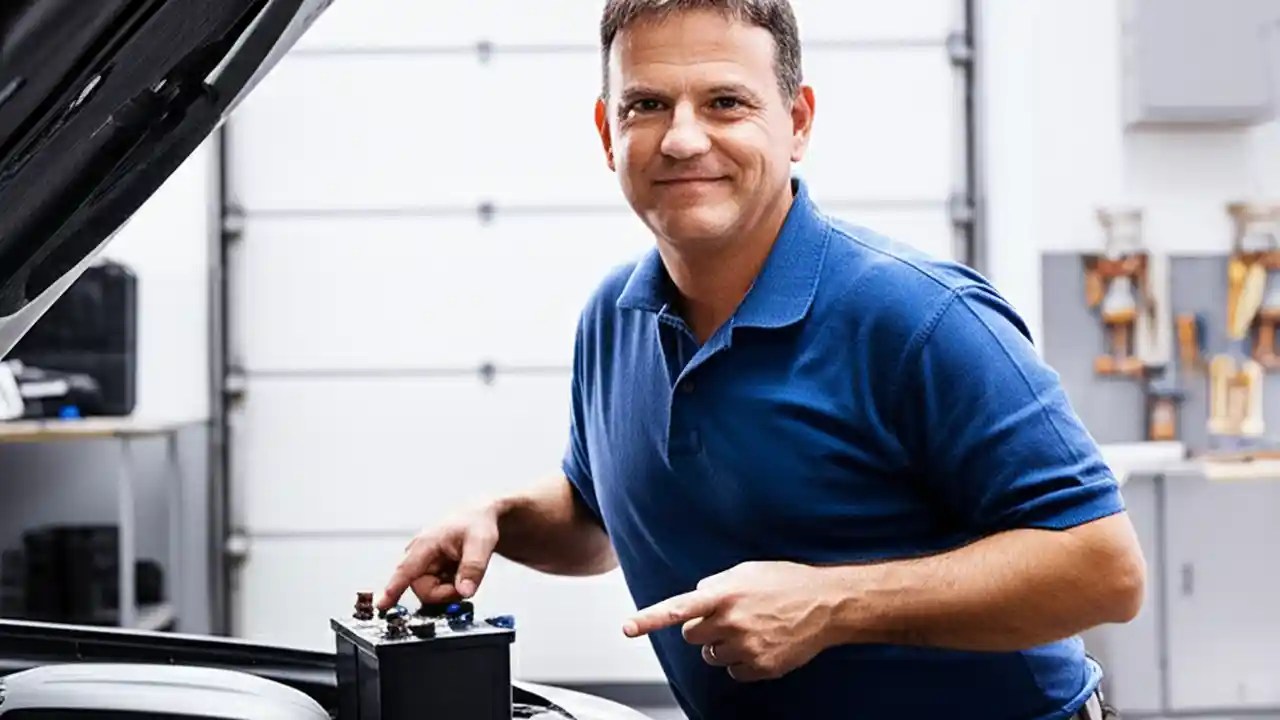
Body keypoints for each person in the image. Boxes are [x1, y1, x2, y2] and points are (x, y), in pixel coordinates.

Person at [376, 1, 1146, 717]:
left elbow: (1104, 570)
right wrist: (500, 517)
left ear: (797, 122)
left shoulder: (920, 317)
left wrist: (832, 605)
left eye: (725, 102)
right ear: (608, 132)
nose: (682, 139)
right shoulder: (613, 319)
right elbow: (601, 515)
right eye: (647, 105)